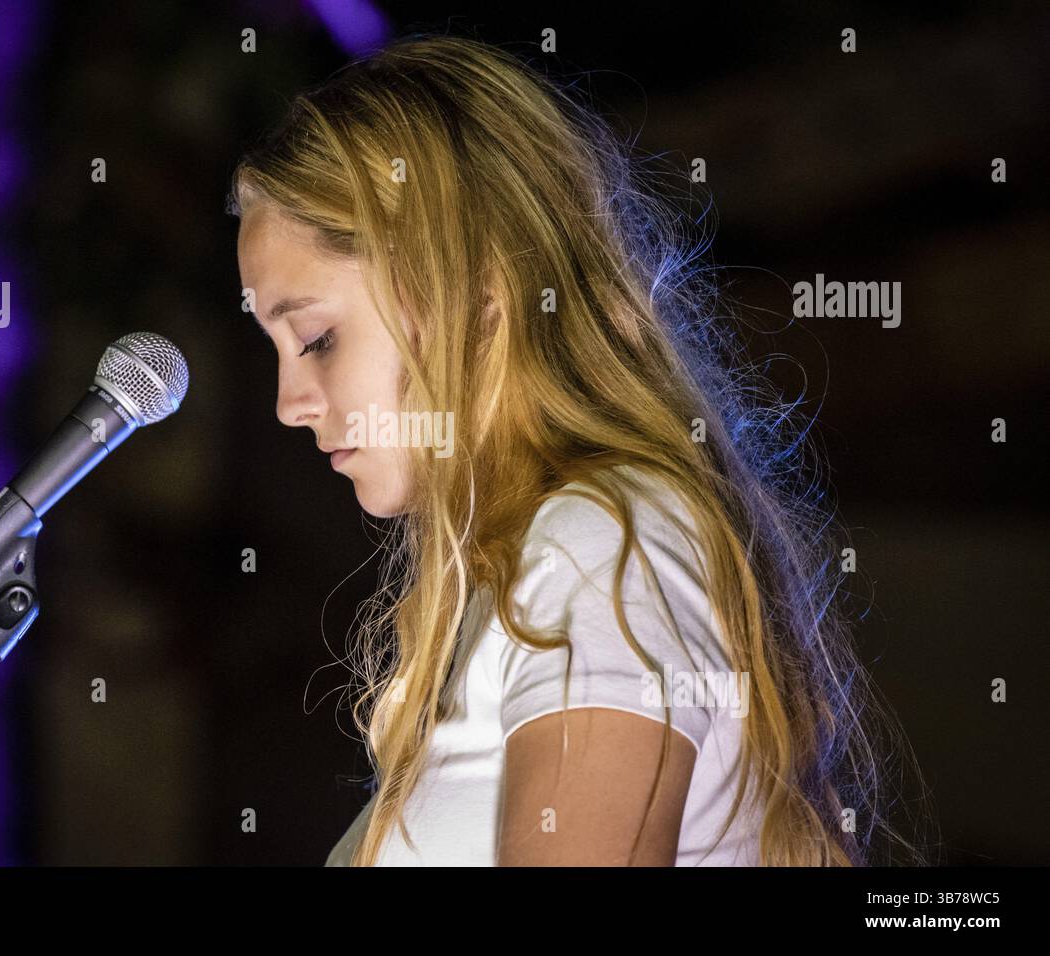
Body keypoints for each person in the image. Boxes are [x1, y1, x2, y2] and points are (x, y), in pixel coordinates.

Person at [230, 33, 926, 866]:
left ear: (479, 294)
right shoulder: (541, 563)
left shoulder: (601, 544)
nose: (289, 404)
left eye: (316, 339)